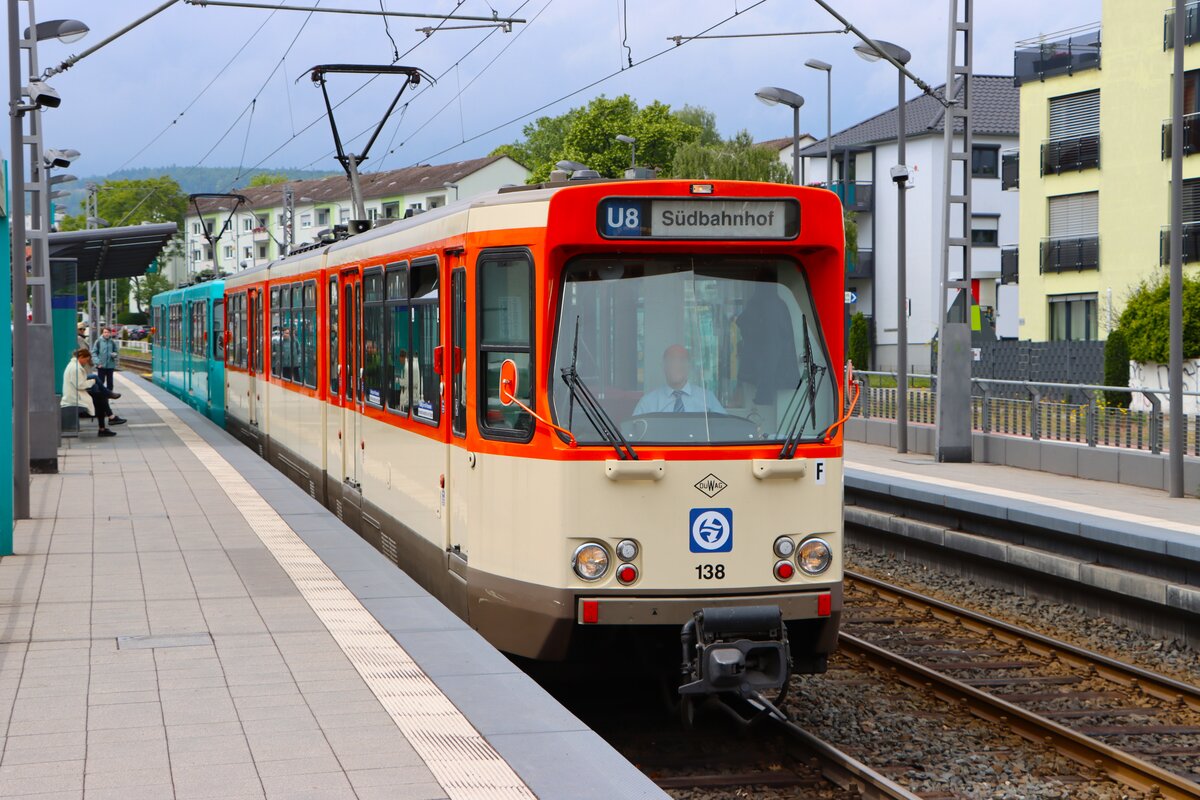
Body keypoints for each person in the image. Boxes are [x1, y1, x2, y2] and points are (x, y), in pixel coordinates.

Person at [633, 344, 725, 415]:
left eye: (682, 360)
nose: (676, 365)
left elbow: (724, 428)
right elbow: (634, 435)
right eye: (671, 360)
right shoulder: (648, 402)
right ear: (663, 366)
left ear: (689, 366)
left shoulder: (707, 398)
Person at [61, 349, 124, 437]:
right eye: (86, 360)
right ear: (81, 357)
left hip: (76, 393)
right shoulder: (76, 368)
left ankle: (109, 420)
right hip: (75, 396)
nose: (86, 362)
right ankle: (107, 422)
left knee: (100, 397)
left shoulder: (74, 365)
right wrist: (92, 382)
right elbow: (80, 385)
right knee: (101, 398)